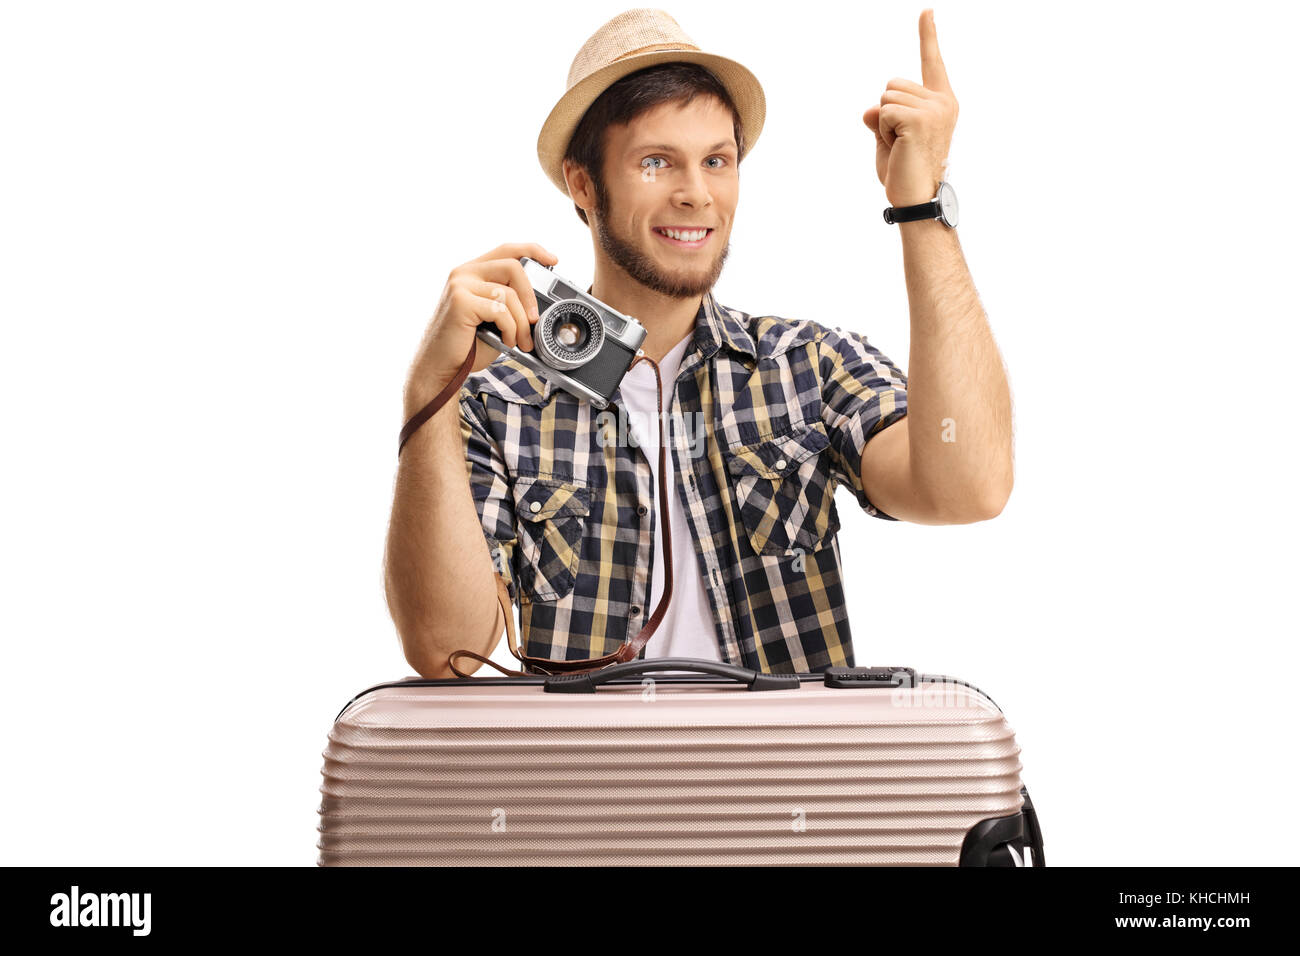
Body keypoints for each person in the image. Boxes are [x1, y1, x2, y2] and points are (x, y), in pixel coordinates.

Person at [384, 8, 1012, 677]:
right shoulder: (497, 402)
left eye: (717, 161)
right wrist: (430, 395)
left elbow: (970, 485)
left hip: (777, 778)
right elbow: (445, 650)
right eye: (656, 162)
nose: (696, 195)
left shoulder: (807, 366)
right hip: (582, 780)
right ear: (583, 183)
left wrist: (920, 210)